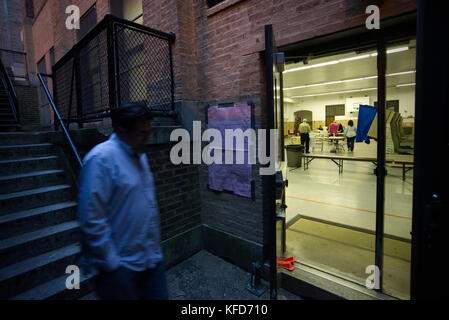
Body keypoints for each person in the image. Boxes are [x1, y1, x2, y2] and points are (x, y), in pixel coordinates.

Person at [77, 102, 168, 300]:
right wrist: (111, 265)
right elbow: (91, 219)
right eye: (141, 133)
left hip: (150, 259)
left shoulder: (139, 154)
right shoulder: (101, 159)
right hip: (121, 268)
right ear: (120, 130)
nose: (148, 138)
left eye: (149, 131)